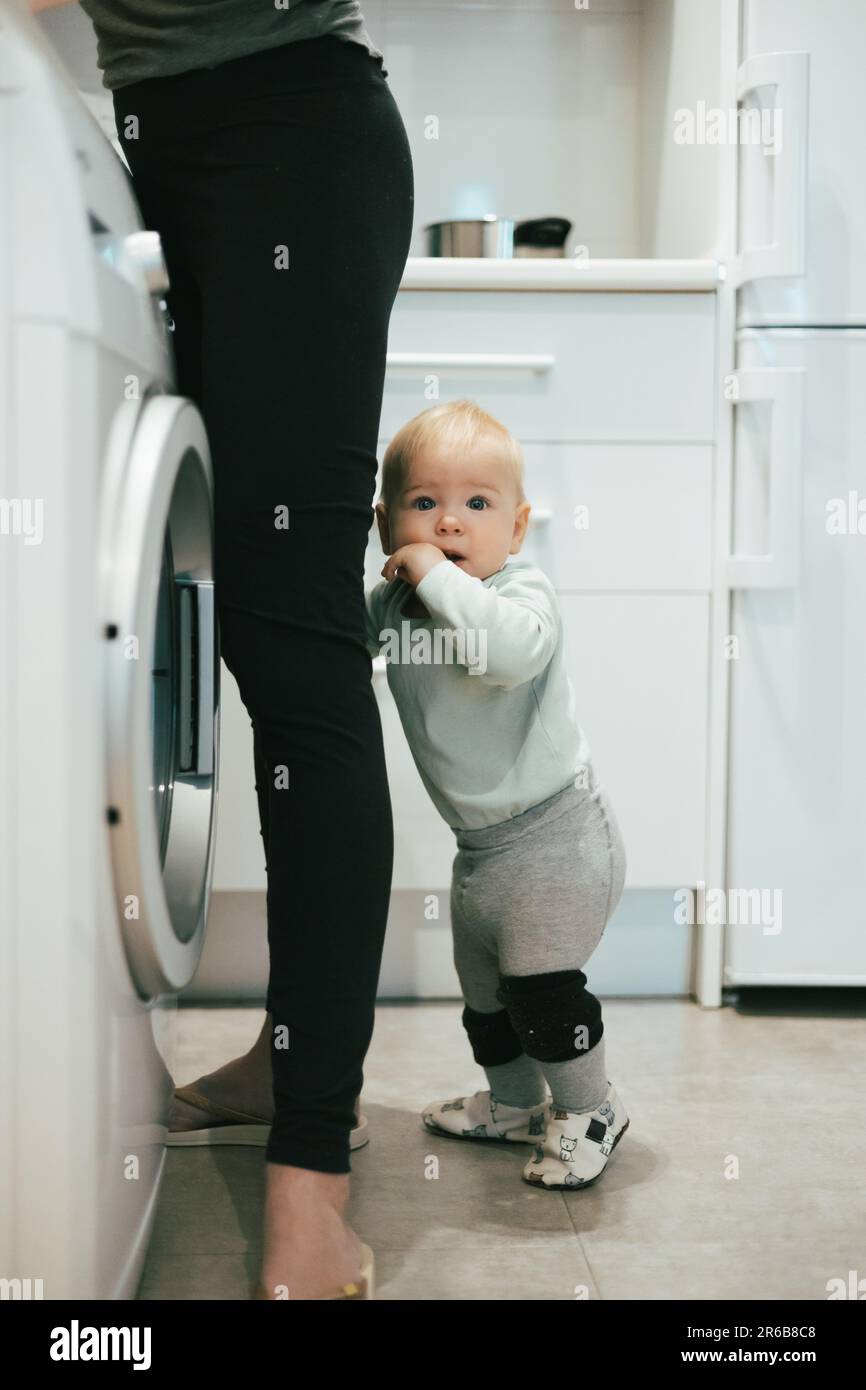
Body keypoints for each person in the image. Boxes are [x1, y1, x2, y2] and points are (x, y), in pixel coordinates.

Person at [36, 0, 414, 1298]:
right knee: (233, 639)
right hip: (155, 152)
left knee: (294, 640)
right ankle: (288, 1051)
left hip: (285, 136)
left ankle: (311, 1174)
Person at [365, 398, 630, 1189]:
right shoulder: (401, 604)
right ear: (385, 525)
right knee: (487, 1003)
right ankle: (516, 1105)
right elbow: (345, 641)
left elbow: (503, 655)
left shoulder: (522, 593)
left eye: (477, 505)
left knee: (544, 995)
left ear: (515, 529)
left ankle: (591, 1111)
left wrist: (431, 572)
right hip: (479, 852)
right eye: (425, 504)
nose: (449, 524)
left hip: (558, 838)